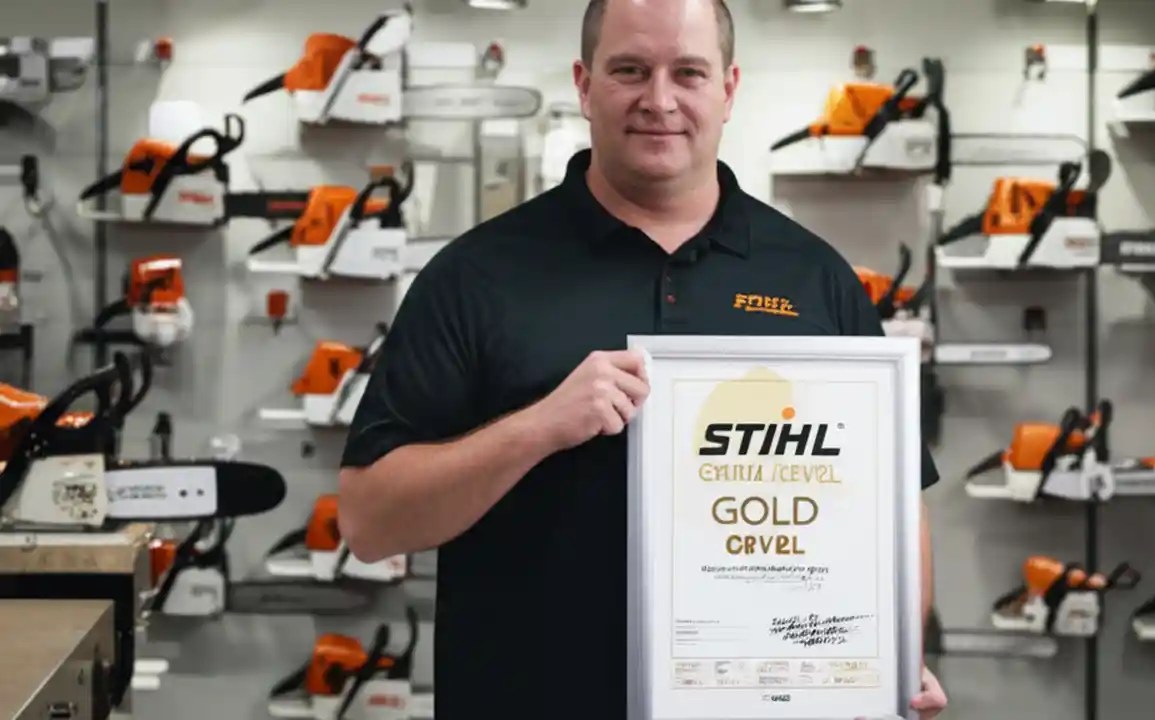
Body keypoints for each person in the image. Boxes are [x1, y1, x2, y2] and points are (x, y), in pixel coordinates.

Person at [337, 0, 949, 717]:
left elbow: (893, 507)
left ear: (728, 88)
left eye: (688, 72)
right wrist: (539, 427)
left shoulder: (814, 280)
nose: (659, 100)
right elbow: (371, 523)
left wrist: (891, 658)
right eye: (630, 69)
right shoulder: (476, 277)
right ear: (585, 83)